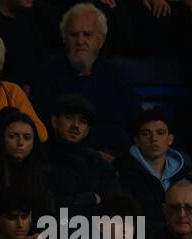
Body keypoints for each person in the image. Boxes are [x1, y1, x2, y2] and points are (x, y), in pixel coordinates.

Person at [30, 3, 140, 156]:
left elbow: (137, 124)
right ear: (64, 39)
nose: (80, 41)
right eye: (74, 35)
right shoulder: (46, 76)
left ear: (100, 41)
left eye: (87, 34)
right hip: (66, 161)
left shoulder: (118, 76)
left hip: (119, 161)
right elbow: (43, 131)